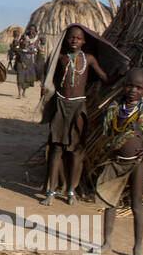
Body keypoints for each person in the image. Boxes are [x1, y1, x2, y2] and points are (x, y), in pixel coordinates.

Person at [95, 68, 143, 255]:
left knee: (137, 204)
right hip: (116, 161)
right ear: (124, 85)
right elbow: (108, 132)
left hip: (137, 162)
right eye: (130, 85)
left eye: (138, 87)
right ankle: (107, 241)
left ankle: (137, 247)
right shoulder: (114, 108)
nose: (133, 90)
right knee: (110, 202)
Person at [42, 24, 108, 205]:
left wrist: (121, 74)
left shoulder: (89, 59)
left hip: (79, 105)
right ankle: (51, 190)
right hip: (61, 104)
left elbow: (104, 77)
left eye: (78, 38)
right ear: (66, 39)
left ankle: (71, 190)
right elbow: (48, 78)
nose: (74, 41)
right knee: (56, 148)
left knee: (76, 149)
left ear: (84, 41)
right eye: (71, 37)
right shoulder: (60, 59)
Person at [10, 24, 42, 98]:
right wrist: (26, 51)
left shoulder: (36, 39)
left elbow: (36, 50)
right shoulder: (23, 37)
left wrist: (33, 52)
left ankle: (24, 93)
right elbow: (16, 48)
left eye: (33, 30)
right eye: (30, 29)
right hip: (21, 60)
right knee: (20, 77)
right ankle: (19, 93)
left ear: (35, 31)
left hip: (29, 60)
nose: (31, 31)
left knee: (26, 78)